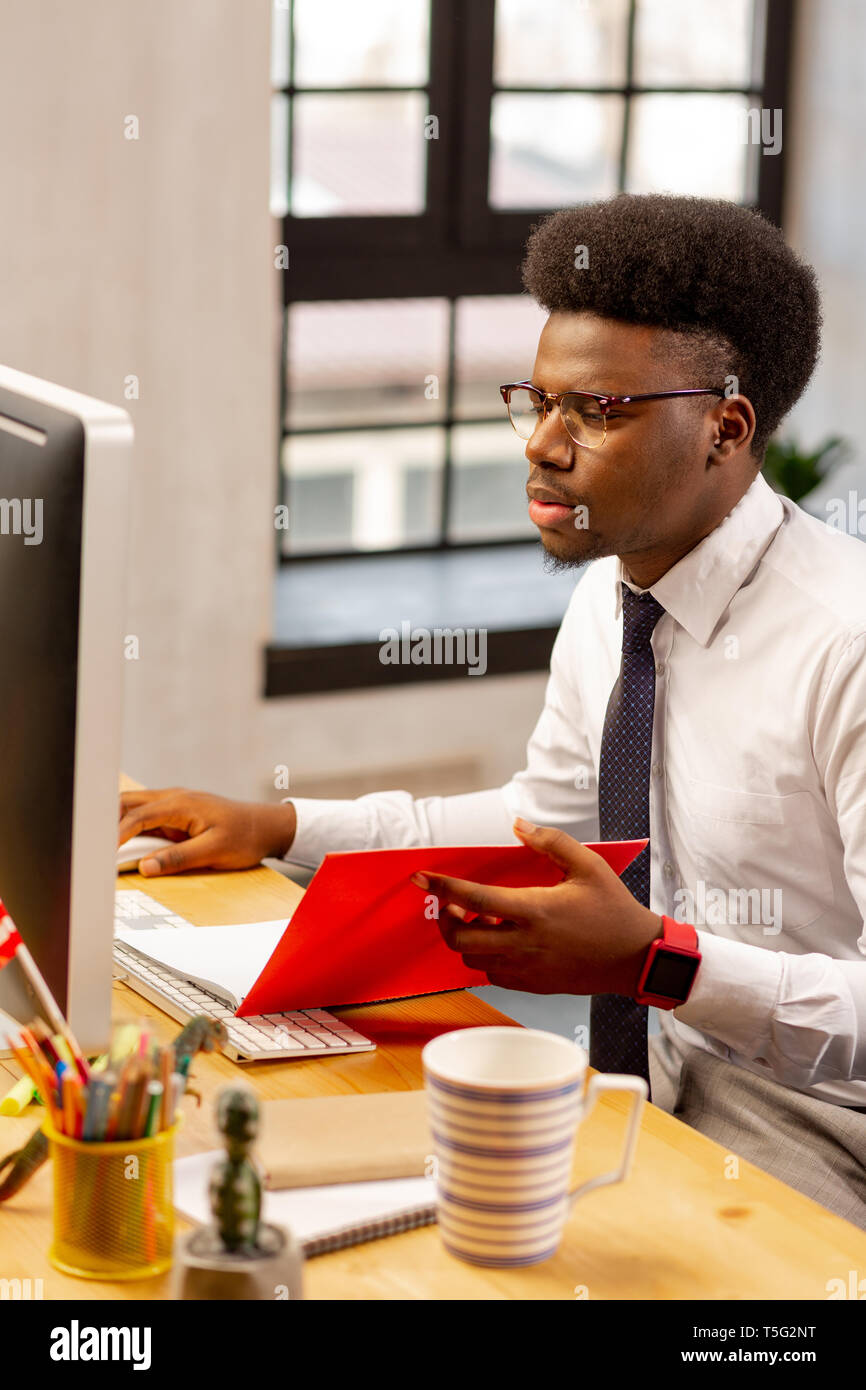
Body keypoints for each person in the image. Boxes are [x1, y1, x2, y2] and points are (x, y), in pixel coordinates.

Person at [119, 193, 866, 1228]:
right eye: (537, 401)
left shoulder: (845, 644)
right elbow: (544, 817)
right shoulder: (613, 599)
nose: (542, 447)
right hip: (649, 1068)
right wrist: (280, 827)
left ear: (722, 428)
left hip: (821, 1121)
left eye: (595, 412)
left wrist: (656, 958)